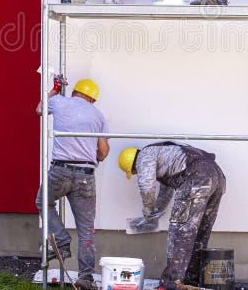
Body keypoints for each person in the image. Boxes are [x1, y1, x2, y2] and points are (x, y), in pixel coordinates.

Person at [118, 142, 226, 290]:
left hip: (196, 176)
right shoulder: (165, 157)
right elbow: (166, 192)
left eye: (135, 172)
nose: (137, 173)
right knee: (199, 233)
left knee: (180, 232)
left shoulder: (144, 156)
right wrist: (155, 212)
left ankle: (170, 284)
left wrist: (148, 209)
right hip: (217, 176)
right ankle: (190, 282)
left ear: (133, 165)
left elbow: (146, 185)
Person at [36, 76, 110, 290]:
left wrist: (53, 91)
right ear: (92, 99)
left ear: (76, 92)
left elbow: (40, 110)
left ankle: (61, 240)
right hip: (86, 174)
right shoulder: (98, 115)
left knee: (43, 201)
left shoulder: (60, 101)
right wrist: (92, 155)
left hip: (61, 170)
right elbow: (103, 152)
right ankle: (86, 279)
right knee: (86, 229)